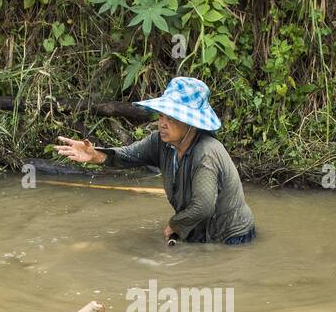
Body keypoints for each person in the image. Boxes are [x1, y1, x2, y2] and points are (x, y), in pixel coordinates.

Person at [54, 77, 256, 245]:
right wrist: (95, 155)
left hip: (231, 237)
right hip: (201, 230)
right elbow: (127, 156)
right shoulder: (161, 143)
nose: (162, 124)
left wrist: (175, 224)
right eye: (161, 116)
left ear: (191, 124)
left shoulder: (206, 153)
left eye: (171, 118)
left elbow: (203, 207)